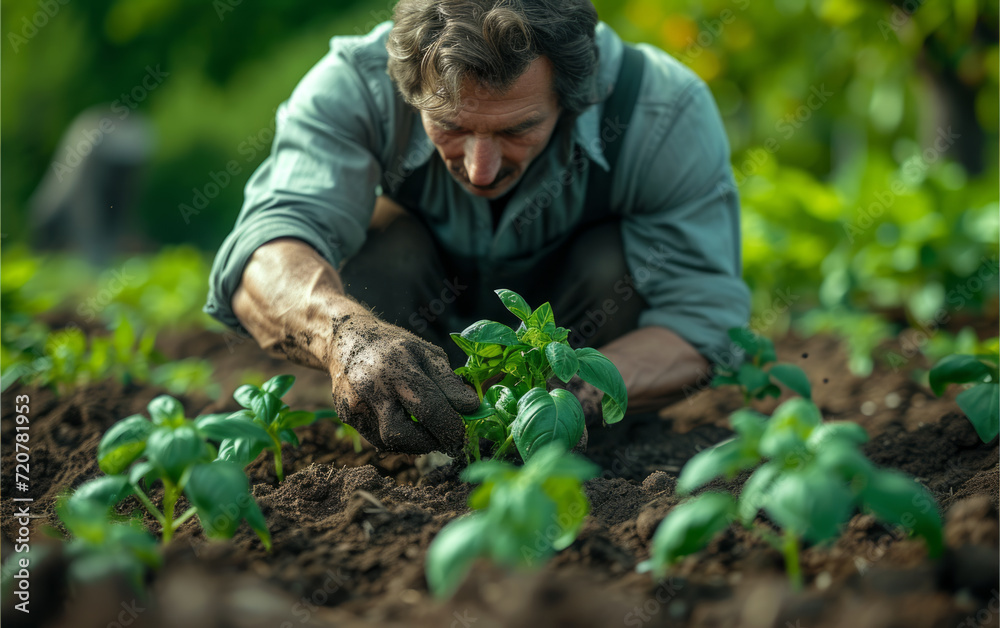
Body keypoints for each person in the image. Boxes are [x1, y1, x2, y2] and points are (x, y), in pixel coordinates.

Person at [204, 0, 750, 456]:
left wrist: (561, 400)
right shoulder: (354, 87)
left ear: (574, 94)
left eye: (519, 129)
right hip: (410, 356)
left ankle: (592, 448)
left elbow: (703, 321)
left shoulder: (660, 109)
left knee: (614, 261)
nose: (478, 168)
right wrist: (346, 335)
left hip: (581, 350)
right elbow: (266, 249)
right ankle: (403, 425)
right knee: (383, 243)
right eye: (449, 125)